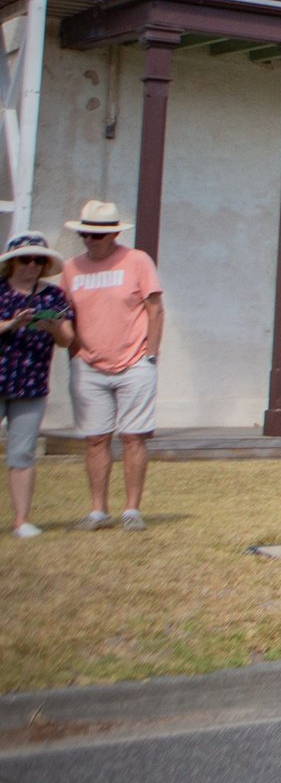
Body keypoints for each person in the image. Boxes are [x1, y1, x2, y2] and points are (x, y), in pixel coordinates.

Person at [61, 201, 162, 532]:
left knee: (133, 437)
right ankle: (97, 511)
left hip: (134, 362)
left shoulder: (137, 261)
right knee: (95, 439)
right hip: (89, 364)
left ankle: (131, 510)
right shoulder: (71, 268)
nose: (90, 240)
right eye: (85, 234)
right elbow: (65, 315)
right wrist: (76, 352)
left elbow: (154, 308)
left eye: (97, 235)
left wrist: (150, 354)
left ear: (115, 233)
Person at [1, 232, 76, 538]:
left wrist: (54, 326)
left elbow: (67, 340)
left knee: (22, 454)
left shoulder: (53, 296)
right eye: (25, 259)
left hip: (30, 386)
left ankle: (22, 521)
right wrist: (11, 324)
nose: (31, 265)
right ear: (12, 263)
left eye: (38, 260)